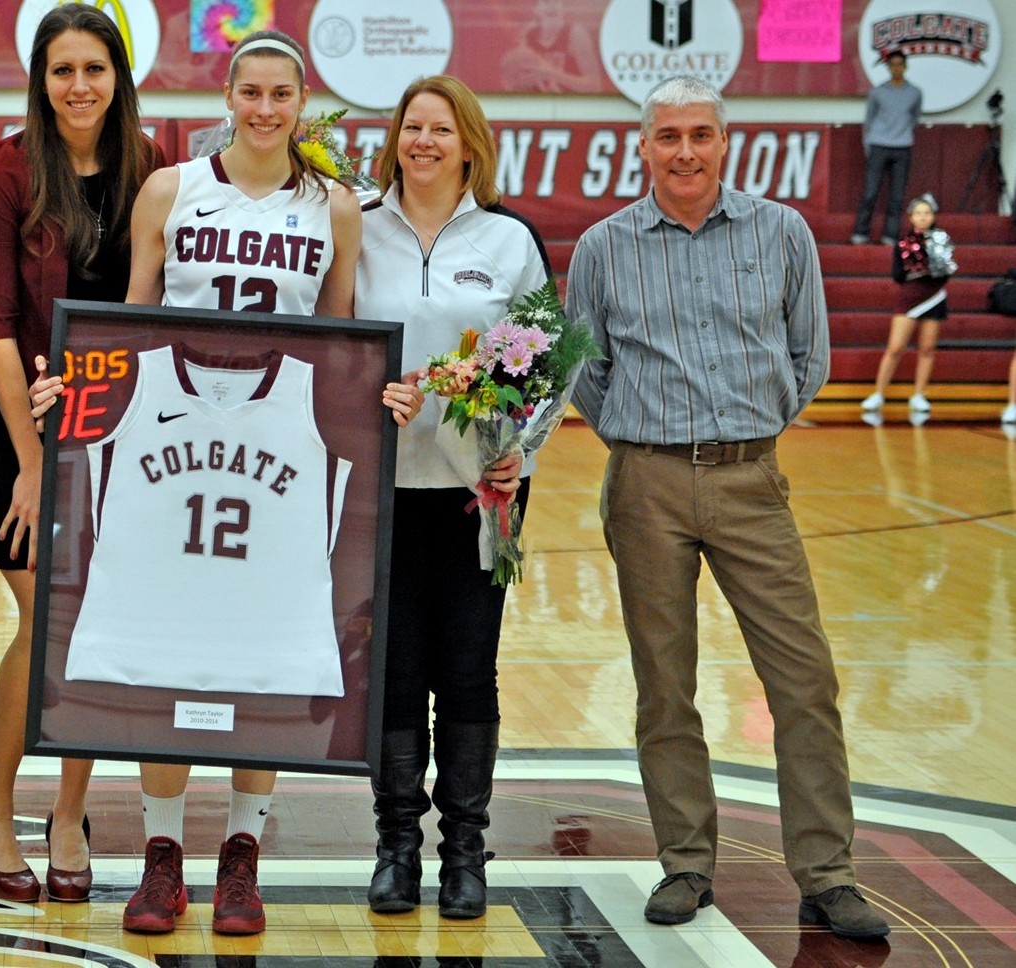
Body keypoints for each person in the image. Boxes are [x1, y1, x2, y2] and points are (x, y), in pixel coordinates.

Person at [564, 75, 891, 941]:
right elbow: (584, 370)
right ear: (643, 146)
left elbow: (806, 356)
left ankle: (826, 874)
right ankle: (685, 863)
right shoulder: (603, 246)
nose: (684, 151)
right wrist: (645, 441)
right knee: (664, 684)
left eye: (699, 135)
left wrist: (742, 432)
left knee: (803, 679)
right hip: (646, 482)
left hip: (752, 480)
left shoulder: (780, 232)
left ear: (723, 140)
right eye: (667, 136)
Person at [111, 29, 419, 936]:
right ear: (228, 93)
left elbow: (339, 339)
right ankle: (161, 853)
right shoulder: (171, 188)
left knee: (262, 653)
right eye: (249, 92)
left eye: (280, 94)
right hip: (174, 435)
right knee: (168, 649)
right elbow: (129, 316)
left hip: (280, 446)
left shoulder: (334, 206)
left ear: (299, 100)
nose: (263, 108)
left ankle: (241, 854)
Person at [0, 2, 164, 904]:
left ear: (117, 76)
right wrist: (34, 459)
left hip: (113, 421)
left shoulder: (152, 166)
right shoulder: (5, 170)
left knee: (102, 619)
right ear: (39, 80)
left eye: (93, 68)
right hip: (11, 423)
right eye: (61, 70)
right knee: (48, 619)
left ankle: (70, 814)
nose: (78, 86)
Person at [352, 75, 551, 920]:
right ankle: (396, 846)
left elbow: (549, 363)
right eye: (411, 127)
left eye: (440, 128)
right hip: (382, 489)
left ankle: (464, 851)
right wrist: (368, 395)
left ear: (469, 142)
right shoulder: (355, 229)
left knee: (468, 669)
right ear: (394, 138)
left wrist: (519, 450)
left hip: (481, 491)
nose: (423, 141)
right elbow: (331, 348)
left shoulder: (509, 239)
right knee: (393, 672)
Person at [861, 194, 953, 416]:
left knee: (927, 348)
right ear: (911, 217)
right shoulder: (903, 242)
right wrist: (915, 264)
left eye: (927, 213)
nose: (923, 217)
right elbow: (897, 275)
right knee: (895, 348)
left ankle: (919, 395)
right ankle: (878, 393)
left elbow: (946, 272)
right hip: (910, 297)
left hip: (934, 297)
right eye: (918, 213)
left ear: (933, 216)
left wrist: (936, 265)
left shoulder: (942, 239)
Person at [851, 50, 921, 245]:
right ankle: (860, 233)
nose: (896, 68)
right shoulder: (877, 92)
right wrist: (869, 145)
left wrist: (903, 135)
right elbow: (869, 121)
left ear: (905, 66)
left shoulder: (915, 93)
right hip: (879, 145)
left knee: (897, 196)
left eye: (900, 64)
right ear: (888, 67)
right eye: (893, 65)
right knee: (870, 192)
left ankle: (890, 236)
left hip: (902, 147)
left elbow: (914, 119)